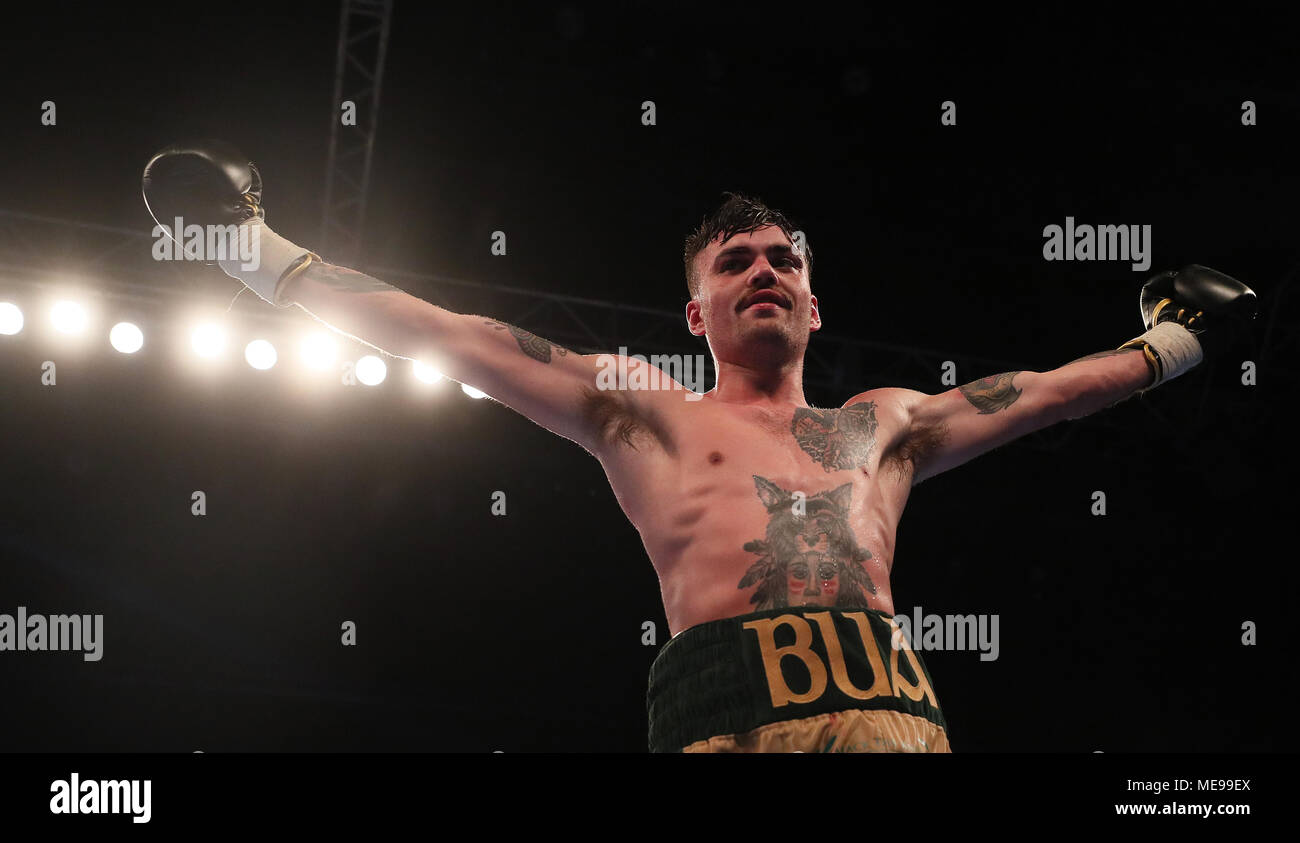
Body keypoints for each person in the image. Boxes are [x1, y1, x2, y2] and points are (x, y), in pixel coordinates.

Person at [143, 141, 1257, 753]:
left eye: (782, 259)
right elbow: (458, 337)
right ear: (696, 314)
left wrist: (1178, 343)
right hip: (721, 722)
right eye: (733, 263)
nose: (762, 270)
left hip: (895, 723)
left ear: (815, 302)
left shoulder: (887, 423)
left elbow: (1045, 395)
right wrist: (254, 251)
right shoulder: (644, 409)